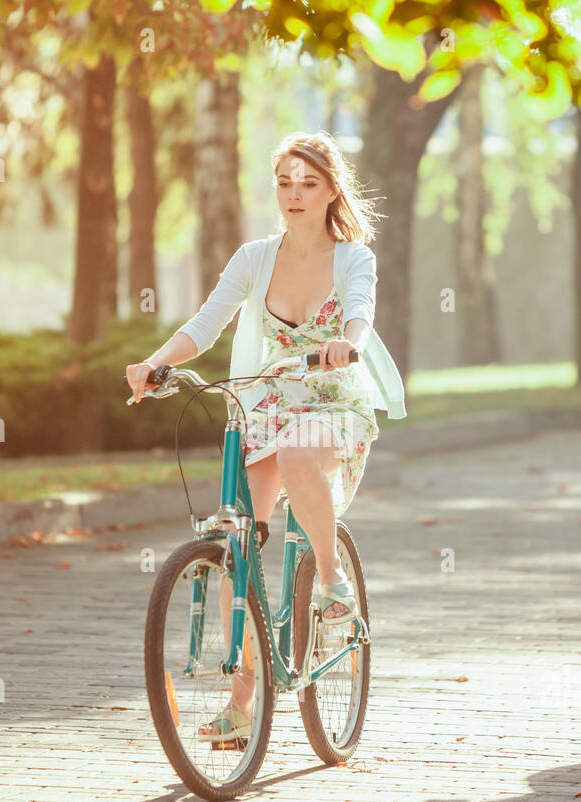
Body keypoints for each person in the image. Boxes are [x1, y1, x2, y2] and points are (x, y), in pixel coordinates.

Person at [124, 131, 406, 740]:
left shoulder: (355, 258)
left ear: (332, 190)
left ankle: (332, 587)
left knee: (304, 455)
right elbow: (204, 324)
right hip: (271, 397)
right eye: (284, 182)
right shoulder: (255, 257)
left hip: (334, 396)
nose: (295, 195)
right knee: (238, 539)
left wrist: (347, 345)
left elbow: (360, 310)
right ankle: (241, 702)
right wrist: (154, 363)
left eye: (308, 183)